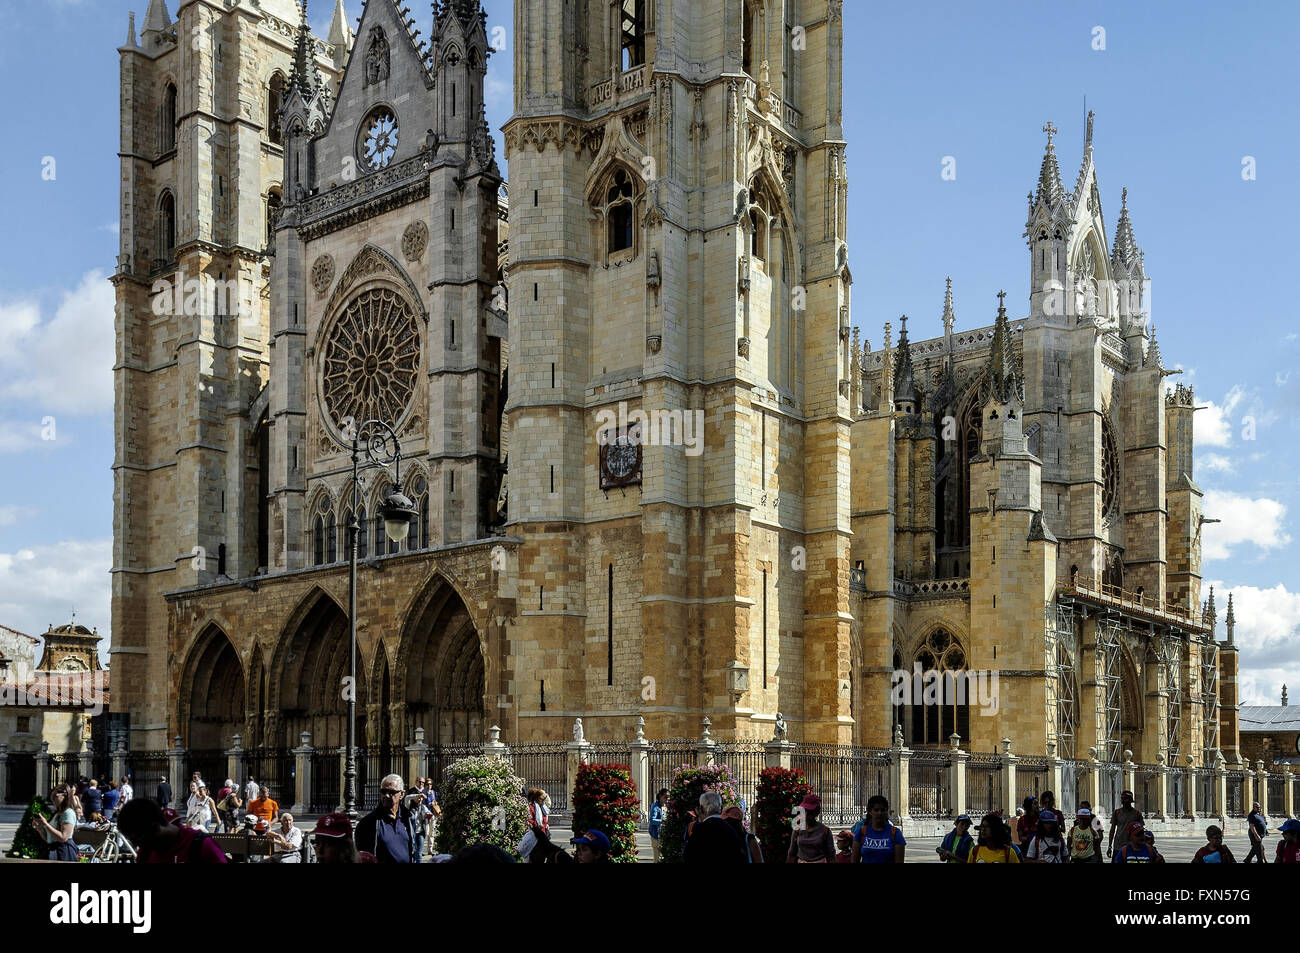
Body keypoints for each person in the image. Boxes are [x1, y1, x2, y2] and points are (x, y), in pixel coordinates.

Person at [118, 798, 228, 864]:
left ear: (155, 828)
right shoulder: (145, 853)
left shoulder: (201, 845)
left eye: (137, 839)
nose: (135, 845)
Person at [354, 773, 418, 863]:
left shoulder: (408, 818)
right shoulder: (368, 823)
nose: (386, 796)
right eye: (383, 792)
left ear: (402, 794)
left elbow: (412, 849)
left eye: (391, 792)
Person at [853, 794, 906, 863]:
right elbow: (854, 860)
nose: (880, 813)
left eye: (883, 810)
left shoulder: (896, 833)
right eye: (876, 810)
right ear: (870, 812)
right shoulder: (862, 832)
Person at [32, 784, 79, 861]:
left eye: (55, 796)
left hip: (63, 852)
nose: (53, 799)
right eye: (52, 796)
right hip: (53, 851)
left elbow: (63, 838)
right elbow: (49, 839)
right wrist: (39, 828)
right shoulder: (57, 813)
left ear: (65, 796)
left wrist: (46, 824)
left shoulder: (68, 813)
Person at [785, 793, 835, 864]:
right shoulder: (797, 830)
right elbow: (791, 853)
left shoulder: (825, 831)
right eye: (805, 811)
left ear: (817, 812)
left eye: (811, 812)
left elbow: (831, 855)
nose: (807, 815)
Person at [1107, 790, 1142, 860]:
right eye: (1123, 799)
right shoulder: (1117, 812)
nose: (1124, 801)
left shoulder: (1137, 814)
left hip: (1132, 845)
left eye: (1126, 799)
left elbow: (1140, 831)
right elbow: (1112, 830)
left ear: (1130, 800)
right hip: (1118, 845)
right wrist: (1110, 846)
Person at [404, 786, 431, 863]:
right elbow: (407, 797)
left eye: (421, 798)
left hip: (420, 833)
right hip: (410, 833)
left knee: (419, 854)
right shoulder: (408, 806)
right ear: (414, 798)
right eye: (418, 798)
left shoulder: (423, 807)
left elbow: (429, 814)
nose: (420, 799)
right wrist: (418, 795)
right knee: (410, 853)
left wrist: (428, 816)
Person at [649, 788, 668, 862]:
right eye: (665, 797)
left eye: (668, 797)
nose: (667, 799)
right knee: (657, 857)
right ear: (660, 796)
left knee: (663, 856)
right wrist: (662, 821)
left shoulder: (665, 806)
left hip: (664, 834)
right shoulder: (655, 806)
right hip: (656, 834)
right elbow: (652, 820)